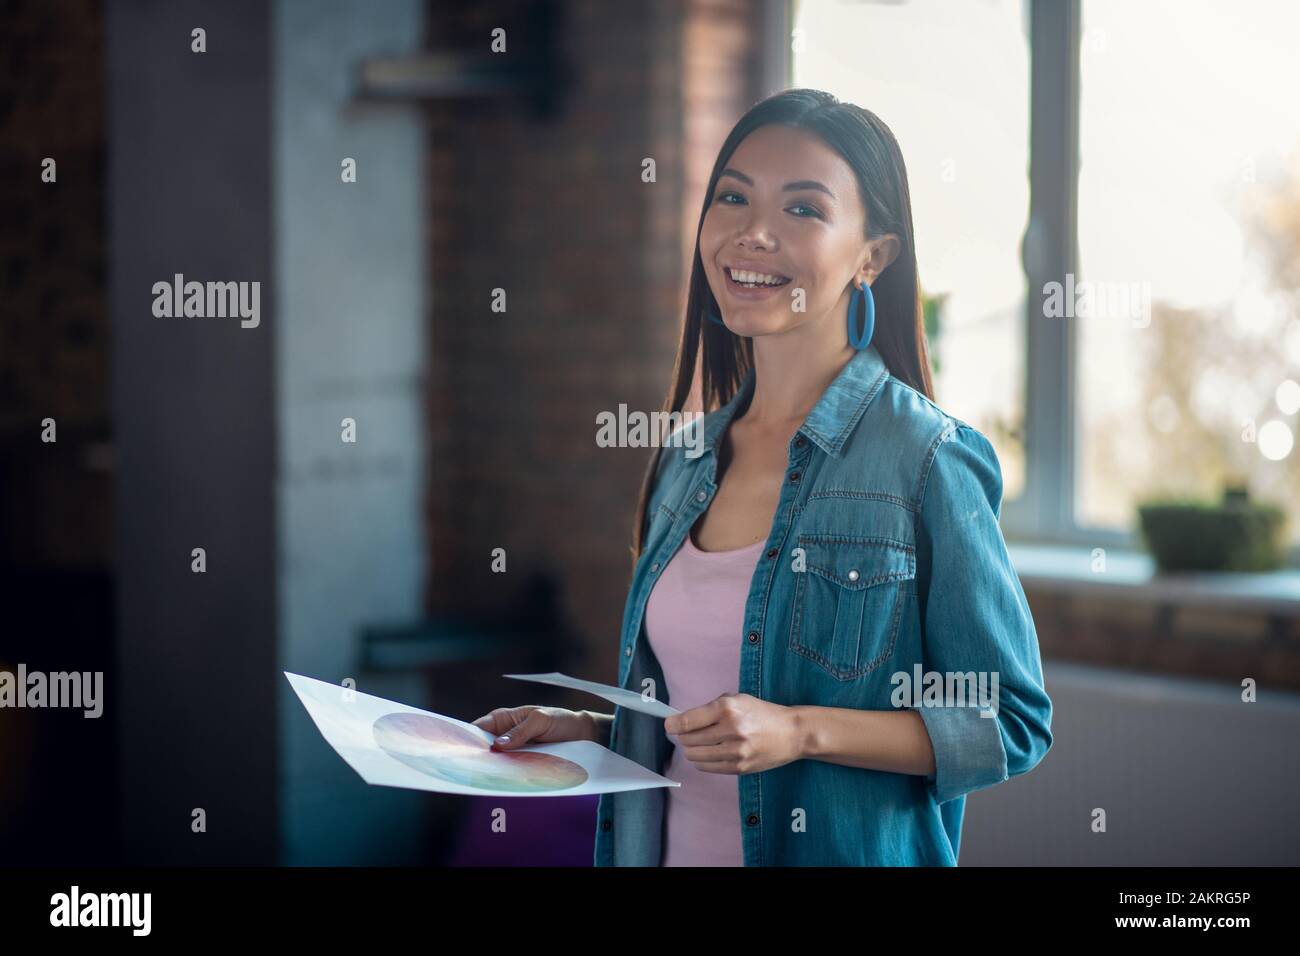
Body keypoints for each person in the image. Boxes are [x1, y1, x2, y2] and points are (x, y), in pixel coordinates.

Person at [473, 88, 1053, 866]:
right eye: (734, 197)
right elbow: (710, 721)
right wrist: (592, 731)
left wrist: (801, 730)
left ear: (872, 256)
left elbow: (1008, 722)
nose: (753, 233)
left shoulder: (926, 459)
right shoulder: (684, 460)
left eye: (804, 210)